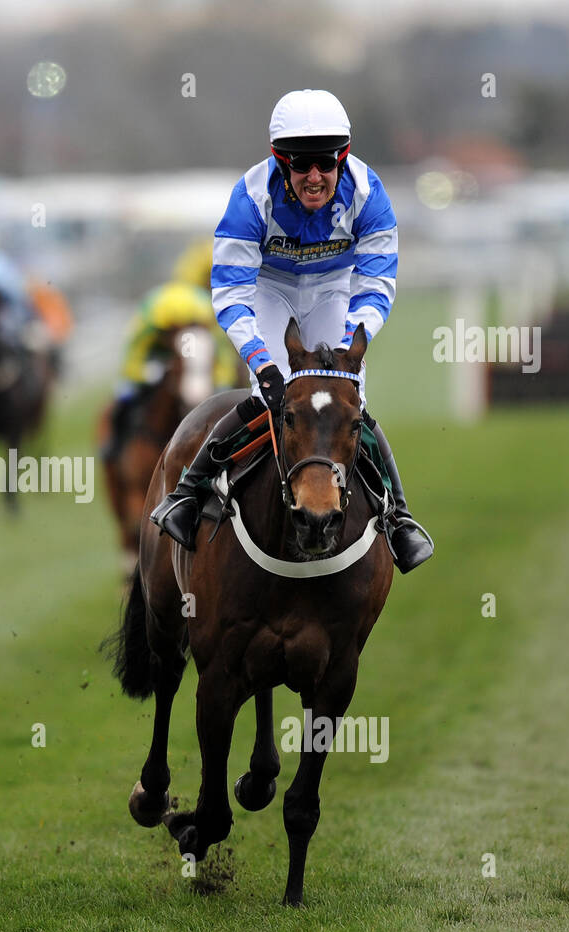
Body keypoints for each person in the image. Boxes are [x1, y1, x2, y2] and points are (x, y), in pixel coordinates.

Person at [149, 89, 433, 572]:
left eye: (326, 163)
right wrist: (261, 363)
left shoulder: (369, 191)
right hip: (269, 289)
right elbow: (232, 293)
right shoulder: (250, 196)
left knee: (347, 400)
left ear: (343, 158)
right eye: (302, 165)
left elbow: (377, 281)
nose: (315, 177)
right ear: (280, 162)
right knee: (272, 399)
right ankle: (186, 496)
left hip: (333, 289)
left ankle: (399, 517)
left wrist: (347, 351)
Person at [102, 281, 234, 462]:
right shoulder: (148, 324)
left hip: (193, 358)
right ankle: (114, 446)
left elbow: (224, 358)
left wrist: (221, 384)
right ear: (163, 329)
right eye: (174, 330)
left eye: (190, 327)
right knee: (125, 395)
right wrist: (149, 373)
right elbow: (131, 362)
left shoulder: (208, 321)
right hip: (155, 356)